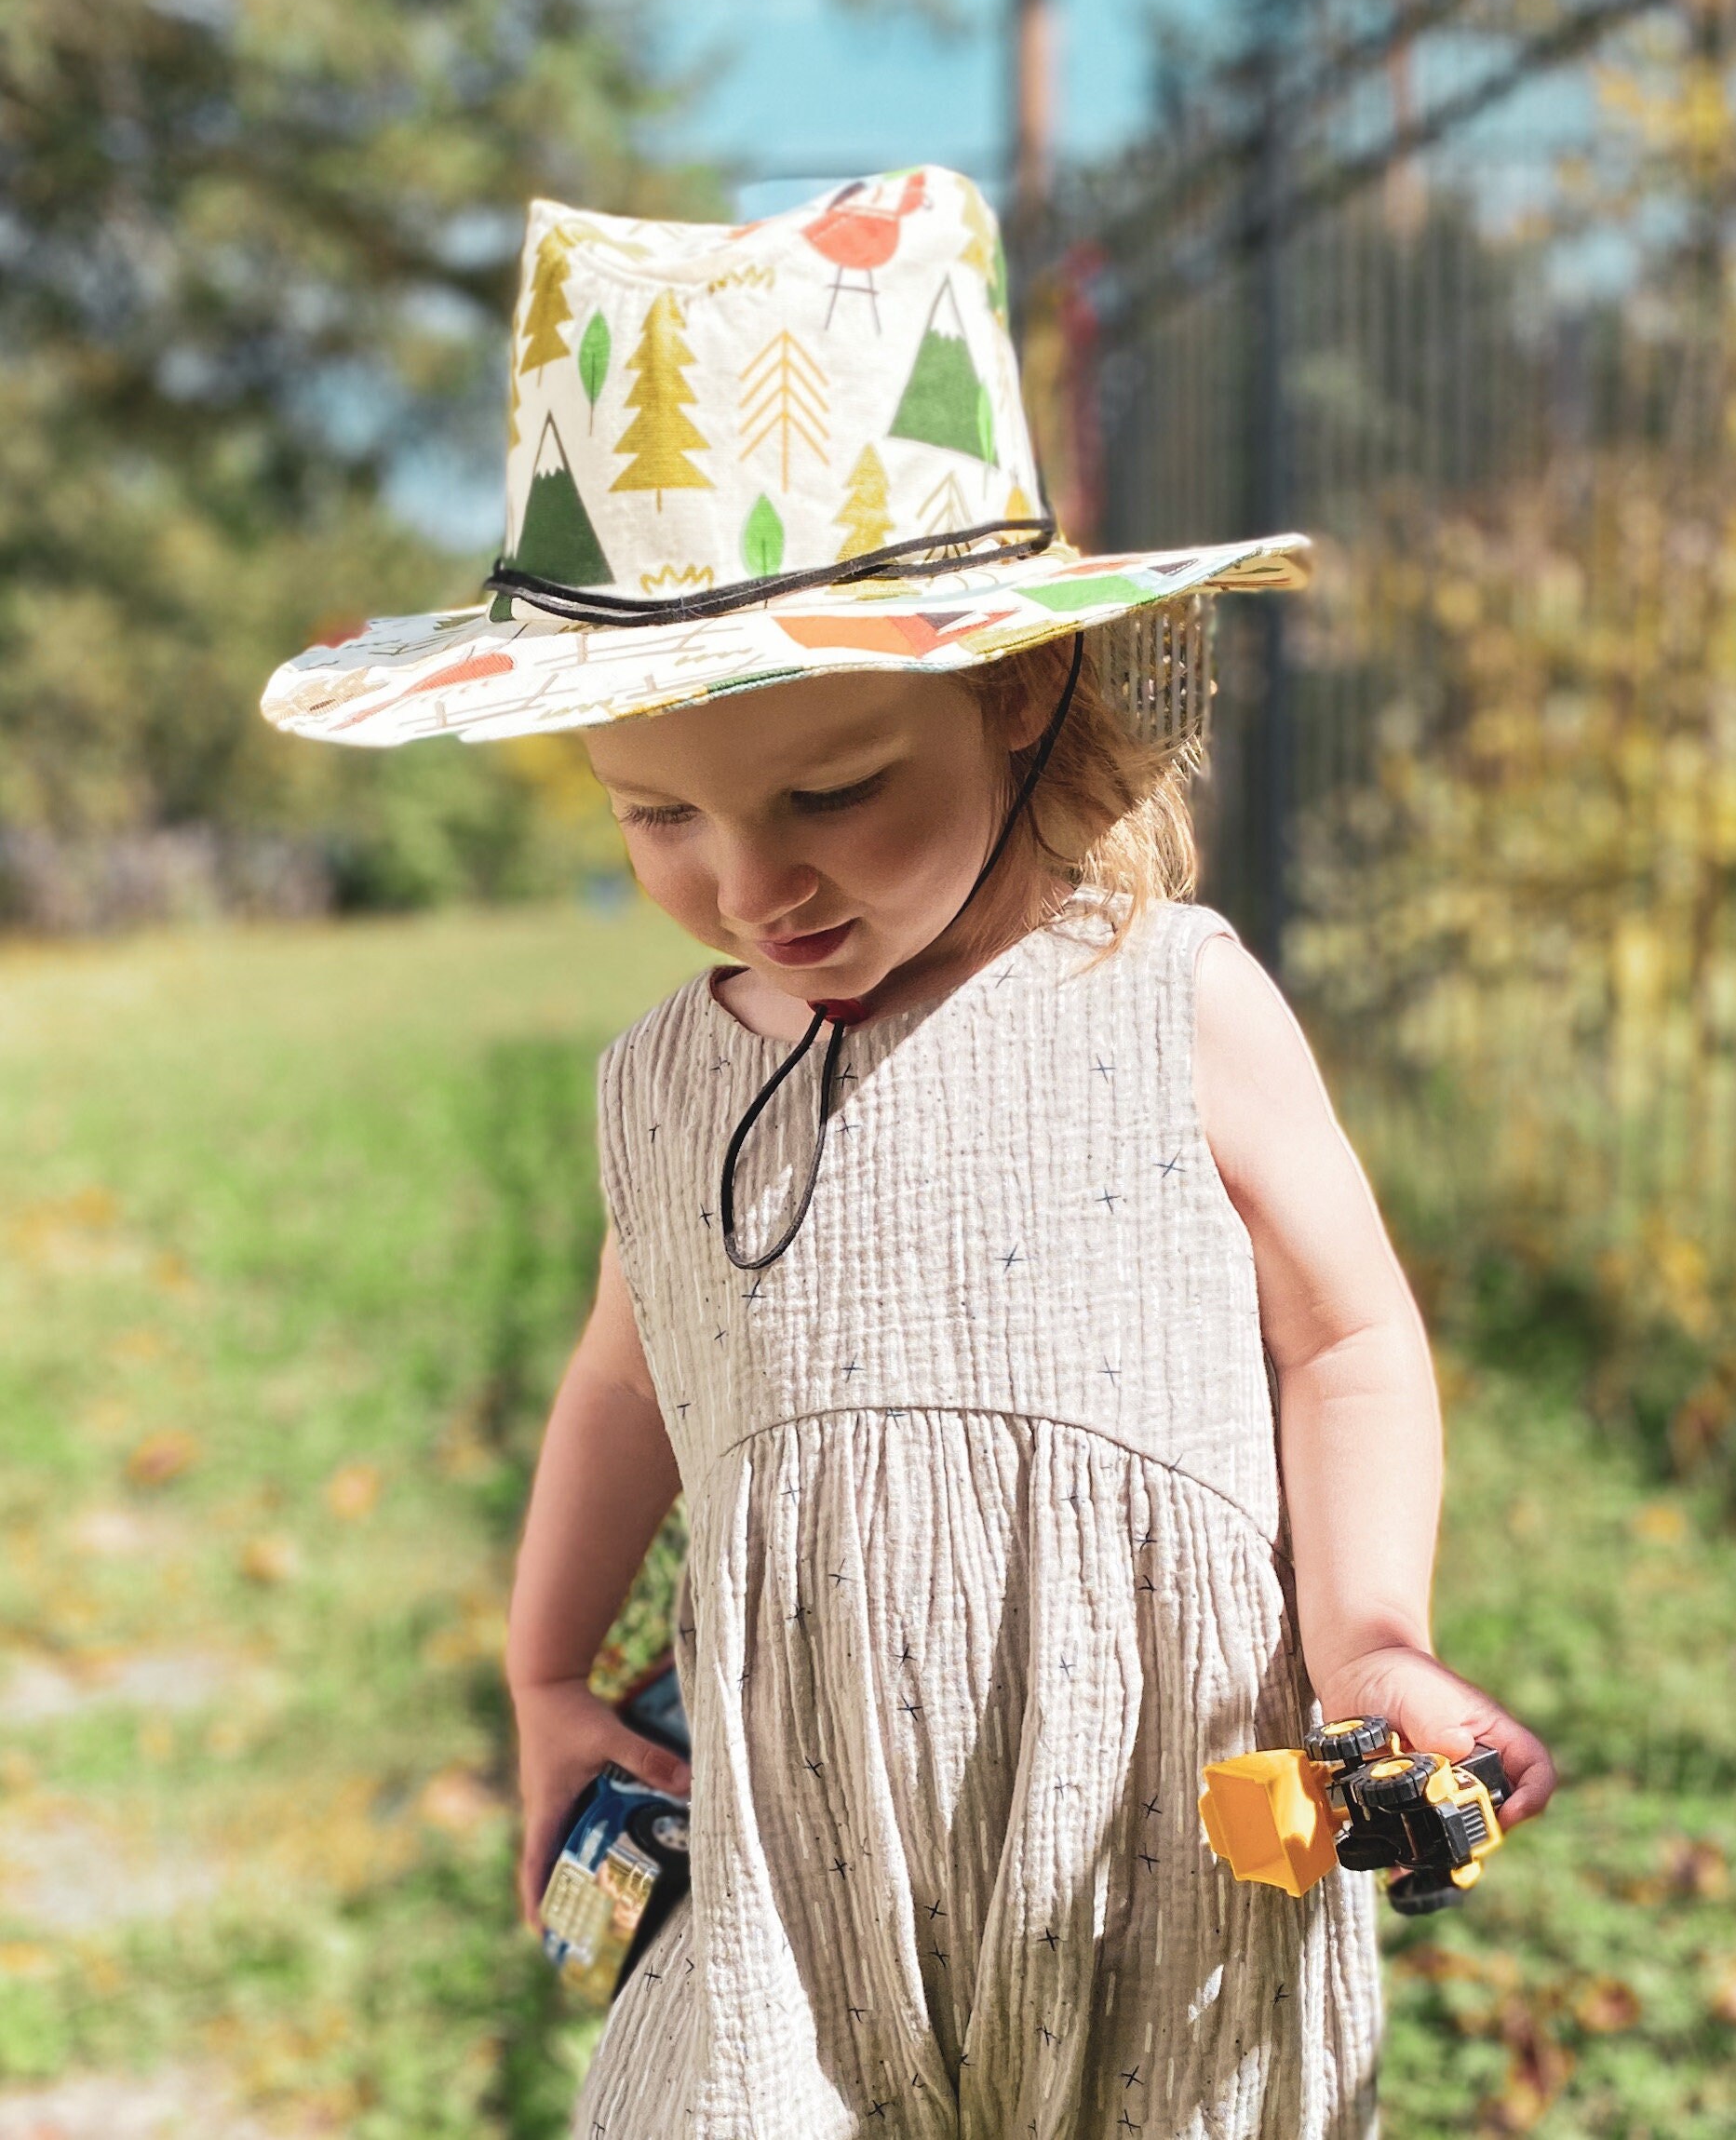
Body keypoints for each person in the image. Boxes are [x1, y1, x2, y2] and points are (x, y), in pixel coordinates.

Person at [262, 166, 1555, 2138]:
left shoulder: (1170, 1002)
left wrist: (1371, 1628)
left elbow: (1346, 1334)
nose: (747, 884)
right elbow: (623, 1383)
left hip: (1153, 1878)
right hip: (798, 1886)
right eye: (656, 816)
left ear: (1015, 691)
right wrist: (544, 1678)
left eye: (833, 791)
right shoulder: (667, 1088)